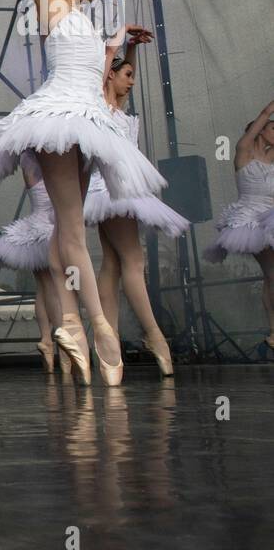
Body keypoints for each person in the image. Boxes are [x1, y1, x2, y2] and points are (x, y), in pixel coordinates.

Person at [0, 0, 166, 386]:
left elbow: (97, 69)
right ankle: (97, 326)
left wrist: (120, 41)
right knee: (74, 231)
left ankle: (72, 325)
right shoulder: (51, 5)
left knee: (63, 230)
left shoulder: (81, 18)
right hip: (58, 118)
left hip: (87, 115)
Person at [82, 37, 187, 376]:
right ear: (110, 76)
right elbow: (105, 73)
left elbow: (122, 69)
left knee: (113, 263)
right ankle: (155, 336)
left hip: (119, 190)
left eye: (133, 75)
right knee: (133, 259)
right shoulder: (98, 104)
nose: (131, 79)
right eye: (126, 74)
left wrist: (133, 50)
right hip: (111, 191)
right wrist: (120, 42)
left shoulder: (125, 114)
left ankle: (109, 348)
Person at [0, 159, 64, 372]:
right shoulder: (57, 166)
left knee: (43, 288)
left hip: (34, 229)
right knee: (54, 288)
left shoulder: (29, 164)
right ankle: (63, 343)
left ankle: (46, 339)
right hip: (49, 230)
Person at [206, 100, 274, 349]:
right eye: (273, 128)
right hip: (252, 220)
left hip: (271, 215)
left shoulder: (272, 157)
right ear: (260, 132)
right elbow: (263, 116)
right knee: (272, 274)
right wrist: (268, 110)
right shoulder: (244, 151)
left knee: (270, 276)